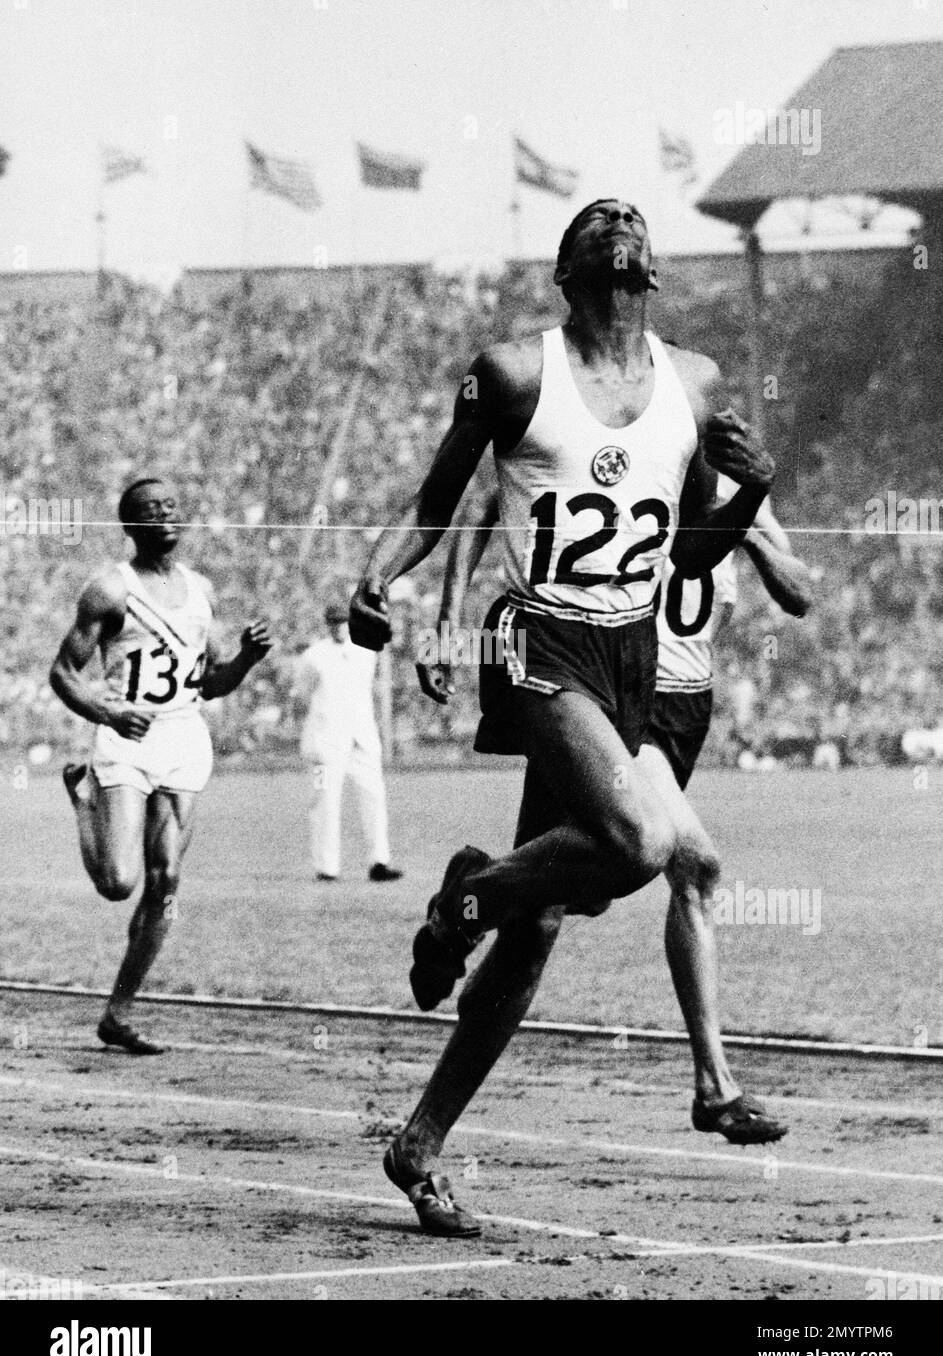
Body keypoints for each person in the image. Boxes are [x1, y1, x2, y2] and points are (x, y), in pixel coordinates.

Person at [349, 198, 780, 1235]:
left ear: (651, 278)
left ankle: (420, 1139)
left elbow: (684, 555)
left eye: (635, 237)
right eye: (604, 232)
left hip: (631, 650)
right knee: (643, 842)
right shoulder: (511, 372)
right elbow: (434, 502)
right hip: (535, 638)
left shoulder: (696, 380)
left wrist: (746, 493)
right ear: (569, 273)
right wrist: (376, 582)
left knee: (536, 925)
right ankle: (466, 900)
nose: (623, 230)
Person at [417, 477, 812, 1187]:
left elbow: (799, 594)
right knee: (693, 862)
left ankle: (472, 896)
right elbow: (486, 506)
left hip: (686, 710)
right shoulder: (628, 459)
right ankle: (713, 1086)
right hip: (613, 696)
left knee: (549, 915)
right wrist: (451, 625)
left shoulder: (726, 484)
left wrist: (745, 524)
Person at [49, 477, 273, 1054]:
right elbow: (64, 674)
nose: (165, 516)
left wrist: (247, 657)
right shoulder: (110, 590)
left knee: (166, 880)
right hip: (127, 737)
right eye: (150, 510)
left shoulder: (201, 590)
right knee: (119, 882)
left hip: (183, 738)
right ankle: (83, 801)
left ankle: (118, 1014)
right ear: (129, 524)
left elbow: (213, 681)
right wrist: (108, 711)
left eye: (172, 507)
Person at [292, 602, 402, 883]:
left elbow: (384, 631)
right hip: (324, 742)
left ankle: (379, 862)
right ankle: (327, 867)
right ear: (327, 624)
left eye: (343, 622)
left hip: (361, 737)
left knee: (374, 796)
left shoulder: (366, 650)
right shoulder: (313, 656)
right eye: (334, 622)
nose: (338, 627)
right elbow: (302, 695)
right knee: (324, 801)